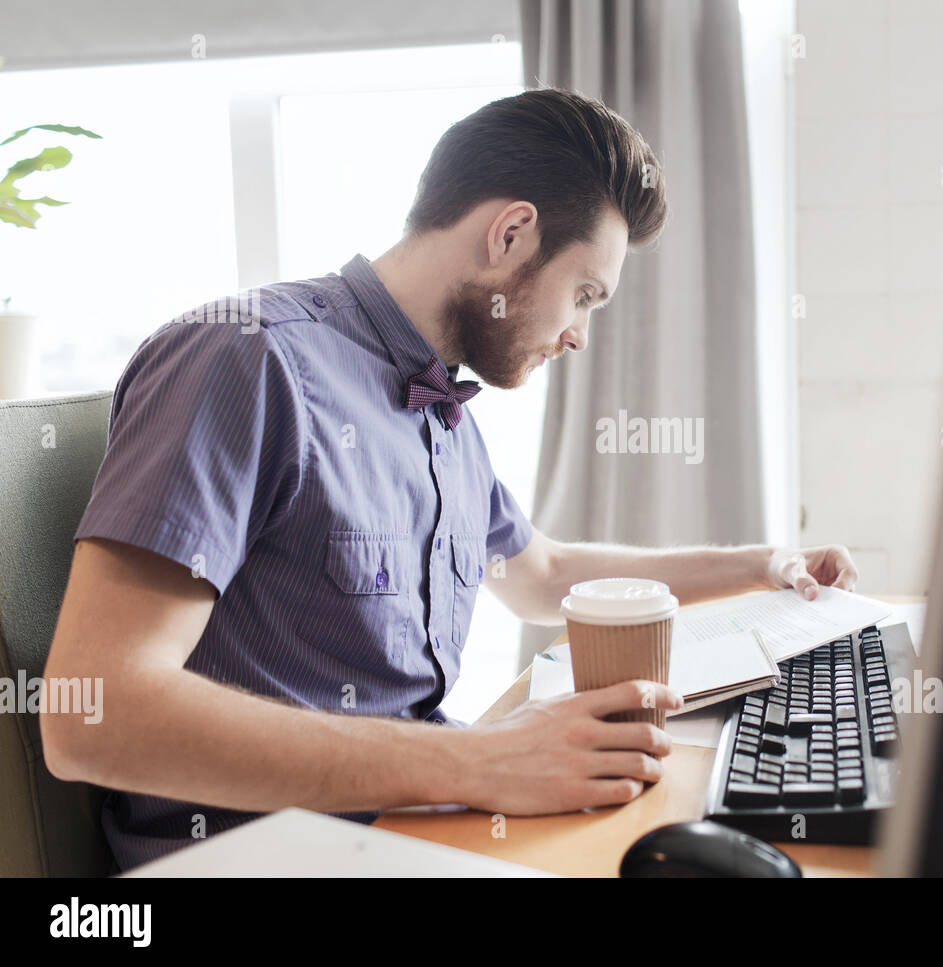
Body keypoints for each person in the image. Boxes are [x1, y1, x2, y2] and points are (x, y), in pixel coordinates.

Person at [40, 88, 858, 871]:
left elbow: (544, 575)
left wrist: (762, 563)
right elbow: (94, 712)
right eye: (583, 294)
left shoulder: (442, 414)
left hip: (407, 823)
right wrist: (475, 760)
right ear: (510, 234)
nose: (578, 336)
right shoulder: (247, 357)